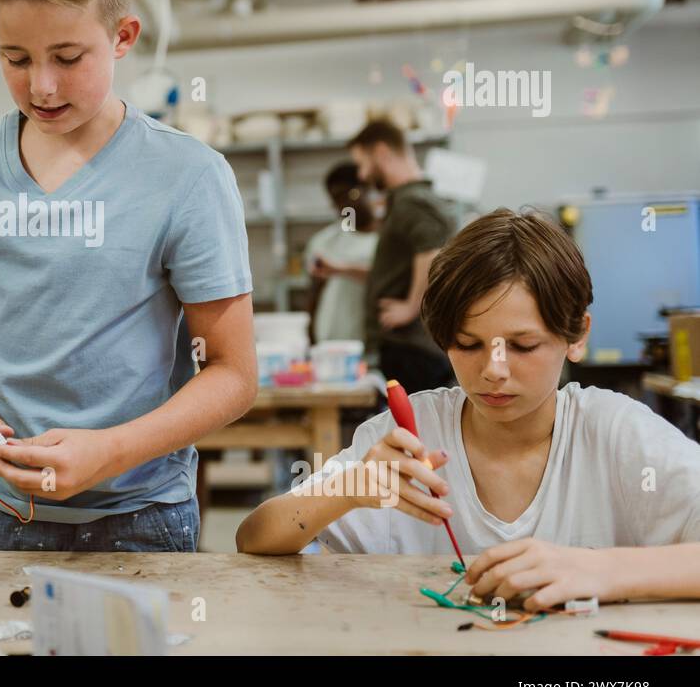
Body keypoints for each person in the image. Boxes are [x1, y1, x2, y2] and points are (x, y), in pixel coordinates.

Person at [0, 0, 257, 552]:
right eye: (15, 59)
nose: (42, 86)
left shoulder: (187, 176)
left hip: (139, 519)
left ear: (123, 37)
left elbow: (233, 374)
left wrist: (110, 452)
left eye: (69, 57)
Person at [237, 209, 700, 611]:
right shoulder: (411, 433)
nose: (494, 370)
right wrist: (348, 491)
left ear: (577, 335)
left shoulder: (615, 433)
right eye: (467, 344)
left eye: (522, 346)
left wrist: (599, 569)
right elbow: (254, 538)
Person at [348, 119, 456, 393]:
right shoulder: (406, 200)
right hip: (407, 348)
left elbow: (432, 251)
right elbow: (405, 266)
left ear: (382, 152)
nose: (361, 175)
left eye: (362, 163)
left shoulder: (412, 200)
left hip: (413, 349)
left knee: (414, 432)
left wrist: (411, 306)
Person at [304, 162, 378, 347]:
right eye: (336, 199)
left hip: (374, 340)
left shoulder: (387, 239)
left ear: (367, 188)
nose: (344, 205)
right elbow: (314, 293)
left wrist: (340, 269)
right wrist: (311, 338)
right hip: (331, 338)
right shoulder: (324, 242)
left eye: (349, 195)